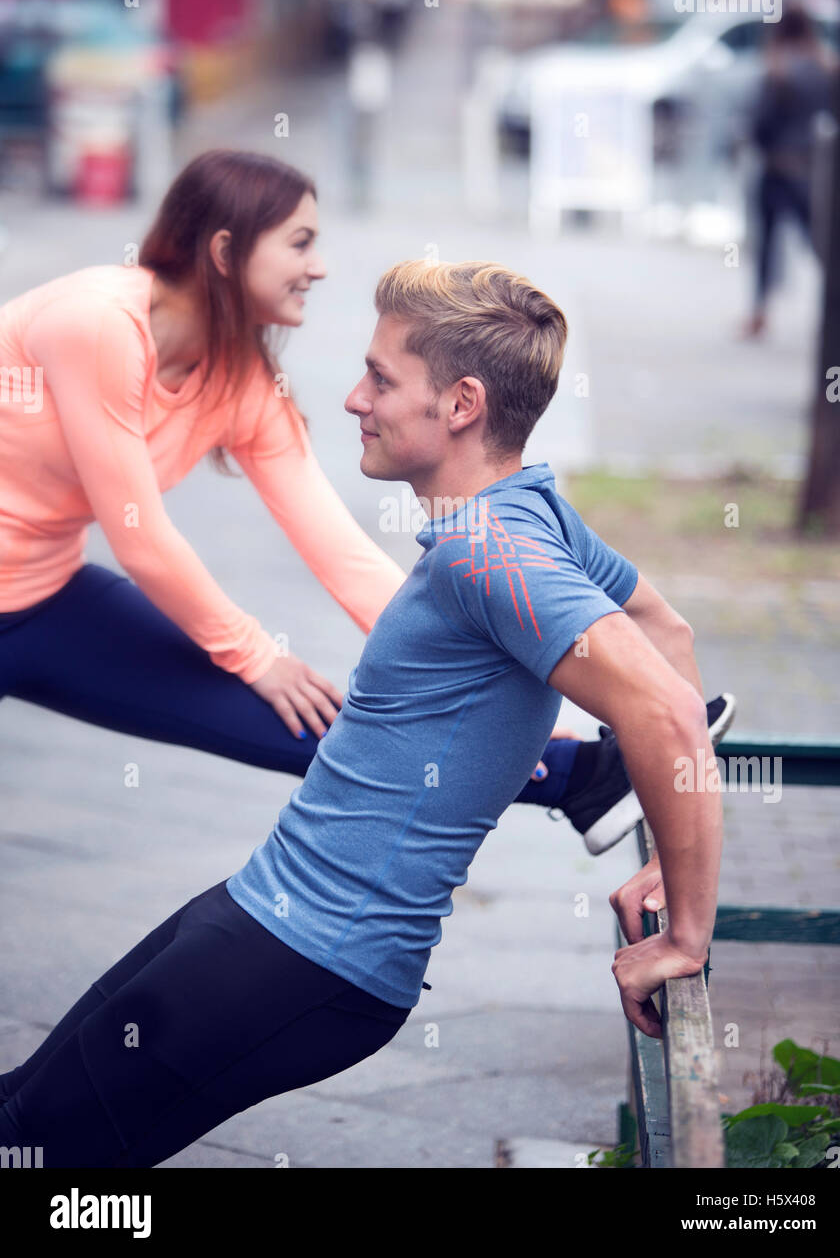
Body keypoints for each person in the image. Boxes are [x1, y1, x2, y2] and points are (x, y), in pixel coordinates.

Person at [0, 258, 728, 1167]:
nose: (353, 399)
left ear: (460, 404)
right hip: (263, 913)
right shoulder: (527, 507)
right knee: (25, 1113)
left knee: (41, 1148)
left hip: (309, 958)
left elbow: (665, 710)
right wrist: (673, 861)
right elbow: (668, 628)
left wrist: (688, 927)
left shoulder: (491, 551)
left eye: (381, 378)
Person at [0, 146, 677, 851]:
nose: (319, 266)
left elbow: (342, 554)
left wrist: (514, 700)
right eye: (300, 243)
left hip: (40, 598)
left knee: (311, 718)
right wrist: (257, 654)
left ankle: (579, 774)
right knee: (267, 676)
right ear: (226, 250)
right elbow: (139, 536)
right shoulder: (97, 322)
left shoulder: (244, 385)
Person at [742, 4, 837, 339]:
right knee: (821, 246)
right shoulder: (826, 65)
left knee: (767, 246)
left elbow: (759, 123)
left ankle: (759, 314)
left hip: (777, 167)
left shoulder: (778, 70)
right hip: (812, 170)